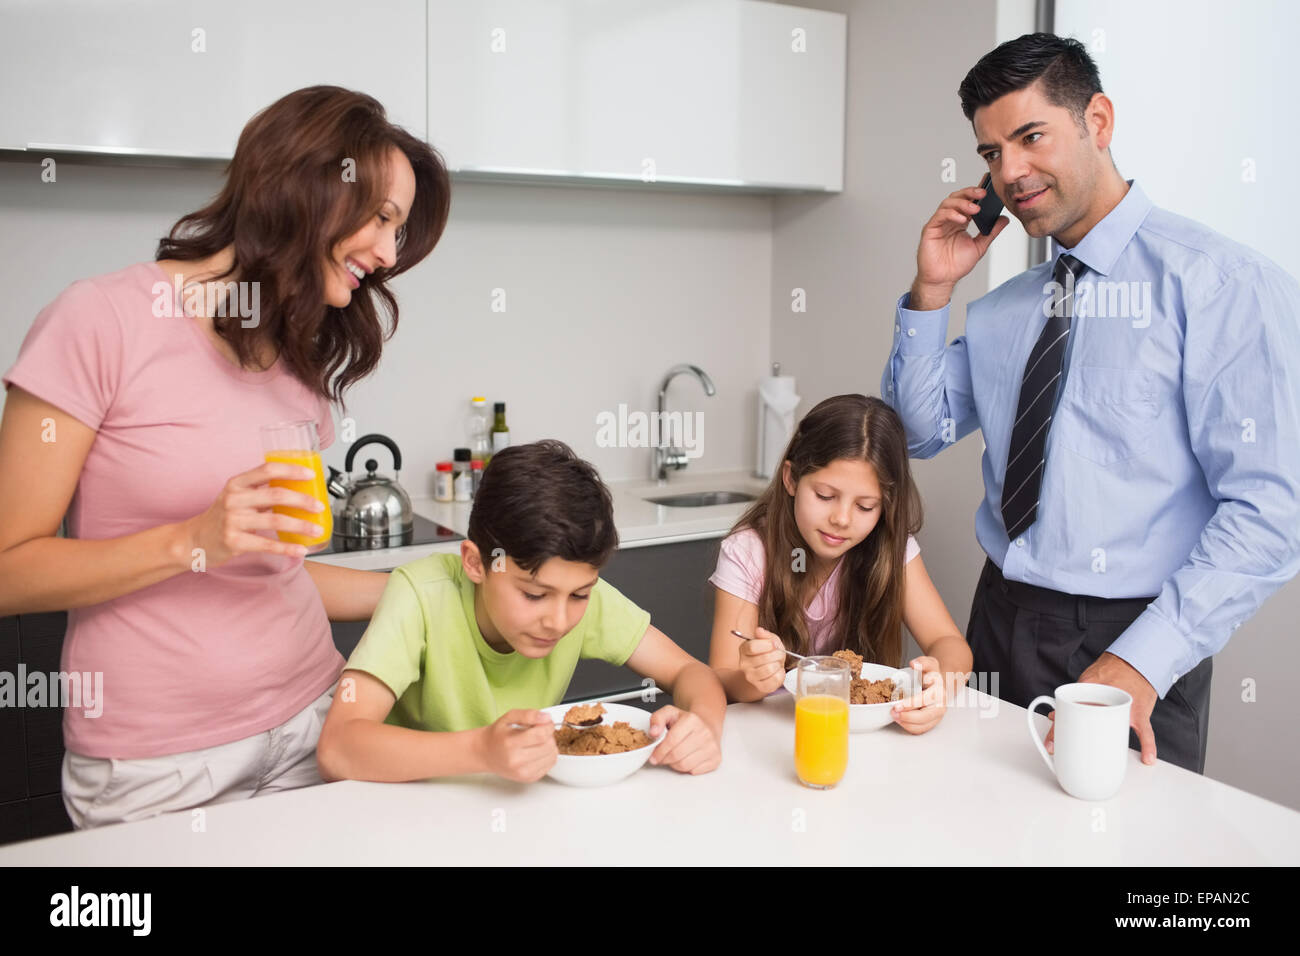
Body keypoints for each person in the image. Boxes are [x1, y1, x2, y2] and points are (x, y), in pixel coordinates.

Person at [0, 85, 451, 826]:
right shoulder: (99, 321)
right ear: (307, 183)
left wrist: (431, 586)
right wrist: (190, 541)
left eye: (398, 233)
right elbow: (8, 568)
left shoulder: (298, 352)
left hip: (316, 723)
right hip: (160, 767)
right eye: (381, 219)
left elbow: (281, 573)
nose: (388, 253)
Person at [882, 33, 1300, 773]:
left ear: (1097, 122)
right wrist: (933, 292)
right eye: (989, 153)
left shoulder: (1220, 285)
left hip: (1128, 635)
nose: (1009, 172)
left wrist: (1144, 660)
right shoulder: (1007, 308)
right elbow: (917, 432)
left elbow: (1272, 509)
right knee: (976, 829)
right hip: (996, 613)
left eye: (1029, 136)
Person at [315, 440, 726, 782]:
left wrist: (703, 725)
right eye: (533, 595)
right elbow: (338, 748)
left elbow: (693, 674)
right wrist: (480, 750)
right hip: (408, 808)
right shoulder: (419, 596)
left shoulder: (581, 595)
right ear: (476, 564)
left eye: (579, 595)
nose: (559, 620)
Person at [707, 394, 972, 734]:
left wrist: (941, 686)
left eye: (865, 506)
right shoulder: (749, 552)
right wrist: (753, 678)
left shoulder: (891, 548)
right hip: (770, 733)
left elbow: (949, 643)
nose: (842, 519)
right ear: (790, 479)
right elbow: (722, 676)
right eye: (825, 496)